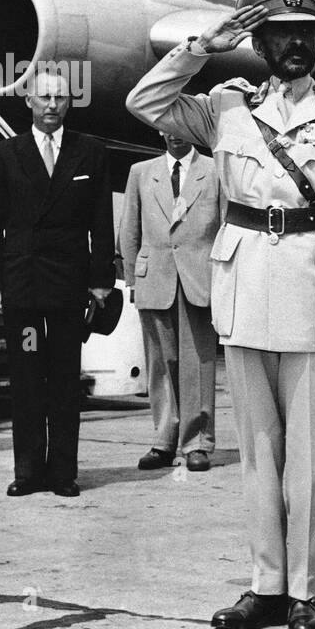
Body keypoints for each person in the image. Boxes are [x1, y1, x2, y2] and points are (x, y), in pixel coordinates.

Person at [126, 0, 315, 629]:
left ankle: (306, 592)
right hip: (242, 295)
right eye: (282, 35)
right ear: (260, 42)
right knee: (258, 450)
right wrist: (199, 49)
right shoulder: (223, 107)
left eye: (307, 35)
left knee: (311, 456)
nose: (296, 45)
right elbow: (145, 100)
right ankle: (266, 584)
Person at [0, 72, 115, 498]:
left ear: (69, 103)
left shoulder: (90, 152)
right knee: (26, 378)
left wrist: (100, 281)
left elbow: (101, 222)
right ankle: (27, 472)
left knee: (61, 380)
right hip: (22, 289)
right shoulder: (6, 153)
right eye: (44, 97)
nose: (52, 104)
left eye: (60, 97)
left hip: (68, 288)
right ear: (29, 101)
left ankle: (62, 473)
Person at [118, 131, 222, 473]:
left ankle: (197, 442)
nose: (175, 134)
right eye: (167, 126)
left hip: (199, 278)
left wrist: (222, 280)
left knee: (199, 363)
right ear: (160, 130)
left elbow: (224, 226)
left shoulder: (215, 170)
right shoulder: (141, 172)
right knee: (160, 363)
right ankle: (164, 439)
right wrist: (133, 278)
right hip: (155, 279)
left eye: (182, 127)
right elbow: (129, 230)